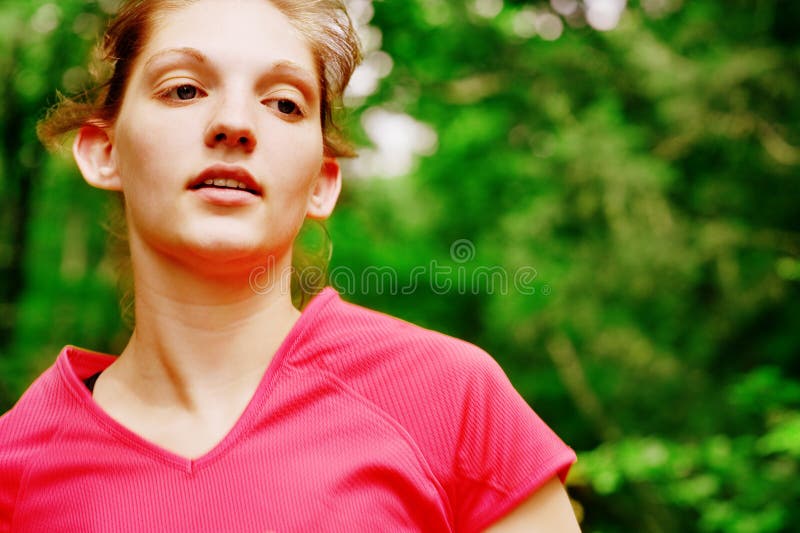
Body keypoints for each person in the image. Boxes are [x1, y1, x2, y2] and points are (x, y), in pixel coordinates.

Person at [0, 0, 580, 531]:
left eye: (283, 103)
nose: (234, 124)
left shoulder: (450, 399)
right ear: (104, 151)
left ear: (322, 184)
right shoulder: (16, 463)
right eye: (184, 90)